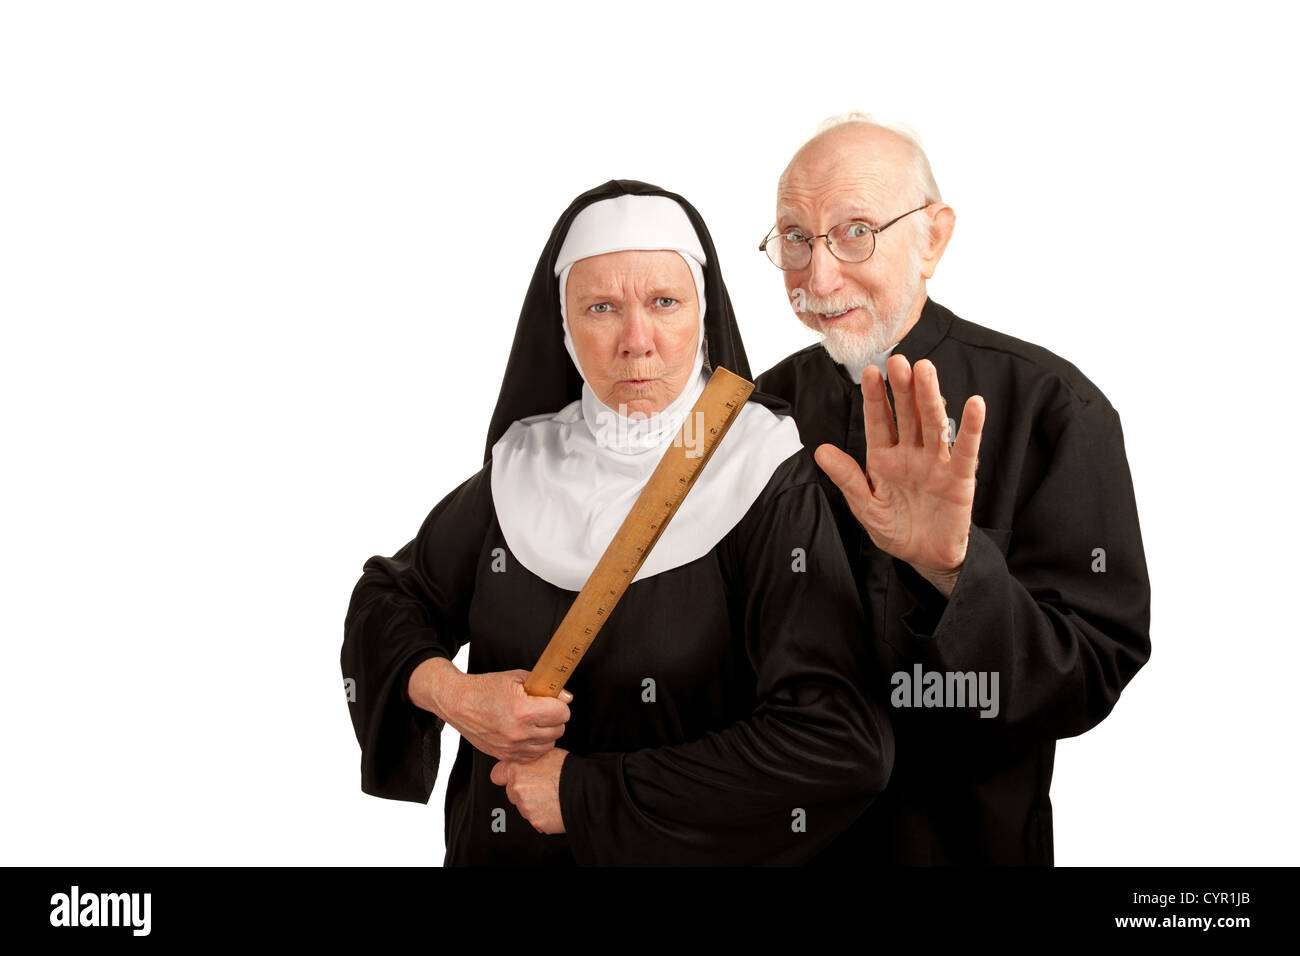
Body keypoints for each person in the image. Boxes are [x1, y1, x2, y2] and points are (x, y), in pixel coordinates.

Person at [341, 179, 894, 866]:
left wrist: (582, 792)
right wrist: (451, 694)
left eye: (664, 302)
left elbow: (836, 745)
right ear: (564, 327)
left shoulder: (766, 479)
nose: (637, 341)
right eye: (601, 307)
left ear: (704, 313)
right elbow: (389, 598)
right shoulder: (522, 468)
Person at [754, 115, 1152, 865]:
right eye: (796, 238)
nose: (818, 276)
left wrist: (954, 572)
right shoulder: (754, 417)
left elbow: (1094, 671)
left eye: (855, 230)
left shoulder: (1054, 406)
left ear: (933, 238)